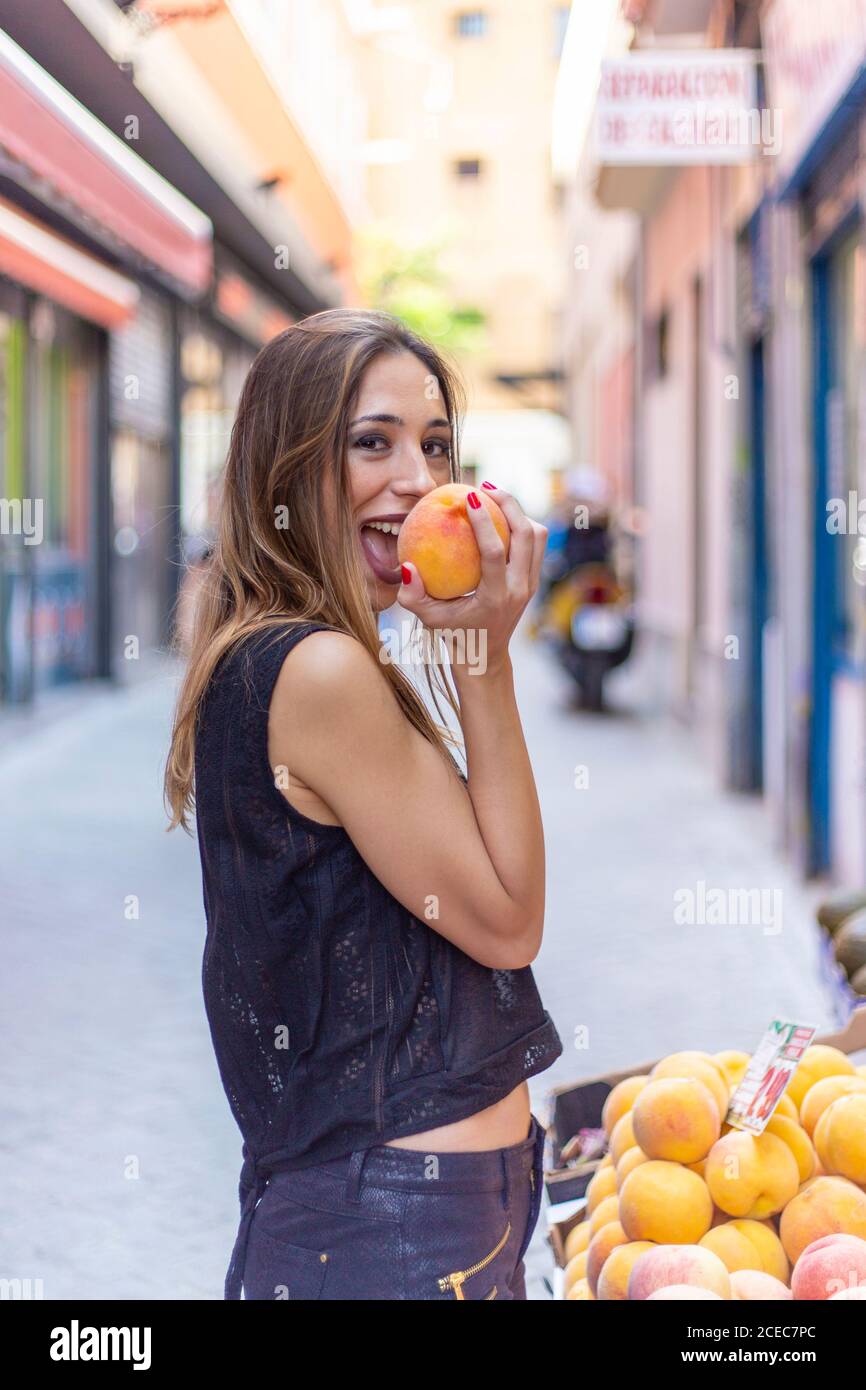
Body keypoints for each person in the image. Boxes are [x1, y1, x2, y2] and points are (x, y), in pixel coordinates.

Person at [164, 308, 563, 1301]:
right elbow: (509, 919)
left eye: (434, 446)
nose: (420, 480)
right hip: (391, 1229)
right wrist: (485, 656)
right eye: (370, 442)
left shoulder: (284, 649)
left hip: (398, 1221)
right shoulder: (319, 670)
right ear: (288, 468)